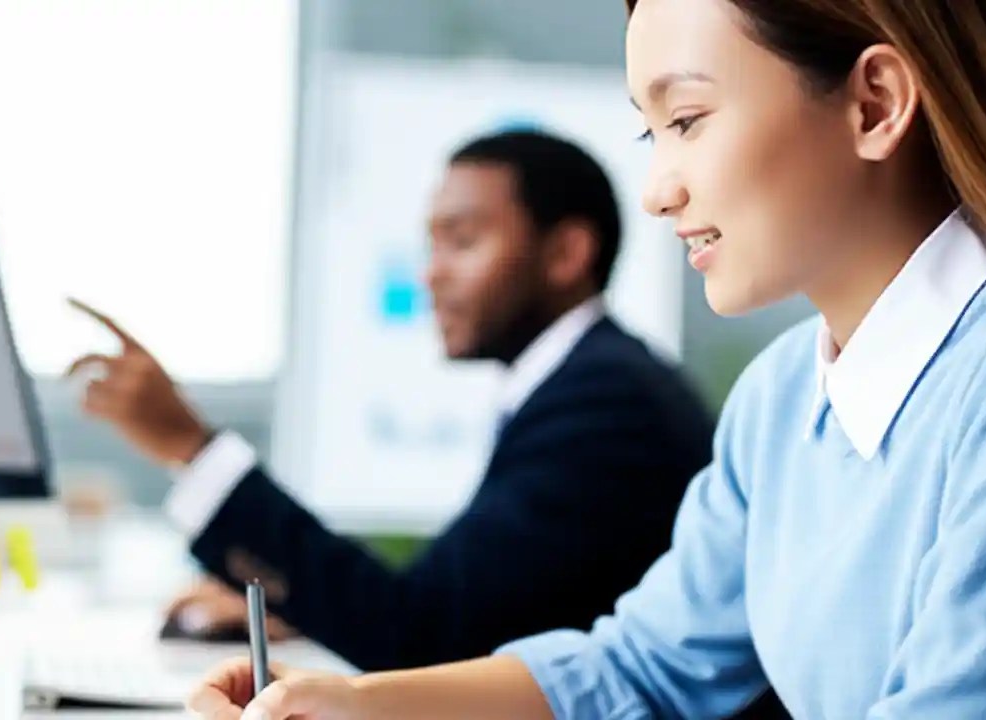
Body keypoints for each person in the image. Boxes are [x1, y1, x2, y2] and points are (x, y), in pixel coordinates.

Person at [185, 0, 986, 718]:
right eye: (650, 131)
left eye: (691, 119)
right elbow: (645, 668)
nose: (661, 191)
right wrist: (358, 705)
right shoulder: (782, 397)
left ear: (874, 104)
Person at [68, 131, 722, 672]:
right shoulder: (589, 381)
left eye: (462, 241)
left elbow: (423, 635)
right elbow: (456, 605)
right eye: (431, 244)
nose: (431, 272)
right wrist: (309, 612)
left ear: (565, 253)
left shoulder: (606, 403)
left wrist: (191, 447)